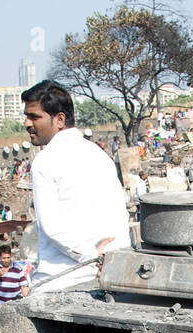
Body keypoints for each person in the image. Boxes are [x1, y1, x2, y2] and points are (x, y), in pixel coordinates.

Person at [21, 80, 131, 290]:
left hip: (61, 281)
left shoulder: (45, 161)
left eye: (34, 117)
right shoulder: (100, 156)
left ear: (59, 119)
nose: (27, 123)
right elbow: (119, 216)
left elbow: (52, 229)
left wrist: (91, 256)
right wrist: (109, 260)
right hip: (104, 276)